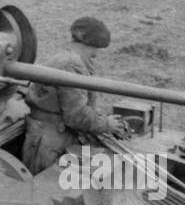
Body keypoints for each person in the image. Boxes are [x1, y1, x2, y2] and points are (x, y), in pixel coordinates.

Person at [20, 17, 131, 176]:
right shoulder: (71, 64)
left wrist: (104, 121)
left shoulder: (68, 58)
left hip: (56, 133)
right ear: (90, 45)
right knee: (47, 190)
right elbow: (76, 115)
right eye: (95, 51)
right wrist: (106, 124)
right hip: (50, 140)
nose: (96, 56)